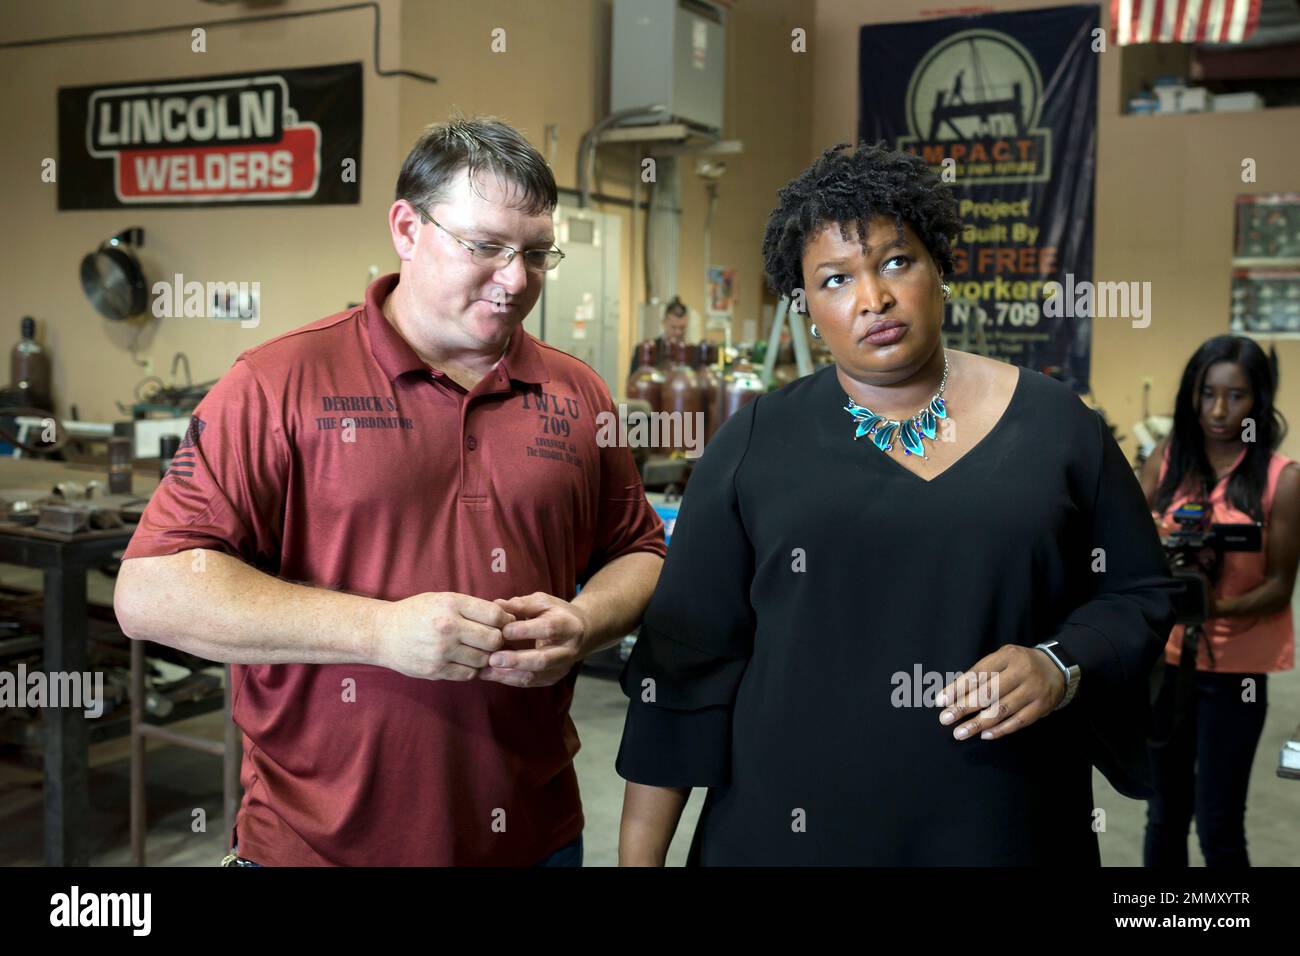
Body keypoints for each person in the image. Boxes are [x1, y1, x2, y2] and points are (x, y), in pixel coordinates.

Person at [113, 115, 667, 866]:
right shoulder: (277, 384)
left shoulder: (576, 394)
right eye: (486, 248)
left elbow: (641, 550)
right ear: (406, 228)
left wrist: (584, 622)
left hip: (533, 838)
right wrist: (377, 633)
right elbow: (150, 592)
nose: (515, 281)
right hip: (318, 846)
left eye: (537, 255)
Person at [614, 141, 1180, 865]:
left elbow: (1140, 592)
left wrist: (1060, 664)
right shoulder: (753, 444)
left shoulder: (1057, 427)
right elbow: (683, 669)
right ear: (808, 307)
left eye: (894, 262)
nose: (872, 299)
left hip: (1005, 831)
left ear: (939, 266)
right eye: (835, 279)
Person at [1140, 335, 1298, 867]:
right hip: (1166, 663)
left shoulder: (1283, 480)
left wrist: (1212, 605)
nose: (1218, 410)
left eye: (1236, 396)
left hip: (1239, 672)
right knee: (1163, 814)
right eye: (1207, 393)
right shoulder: (1165, 462)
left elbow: (1280, 585)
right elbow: (1126, 546)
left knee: (1218, 822)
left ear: (1259, 400)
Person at [627, 296, 689, 377]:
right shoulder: (646, 351)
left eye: (682, 328)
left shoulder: (691, 354)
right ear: (664, 323)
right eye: (673, 327)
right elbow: (632, 383)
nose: (678, 332)